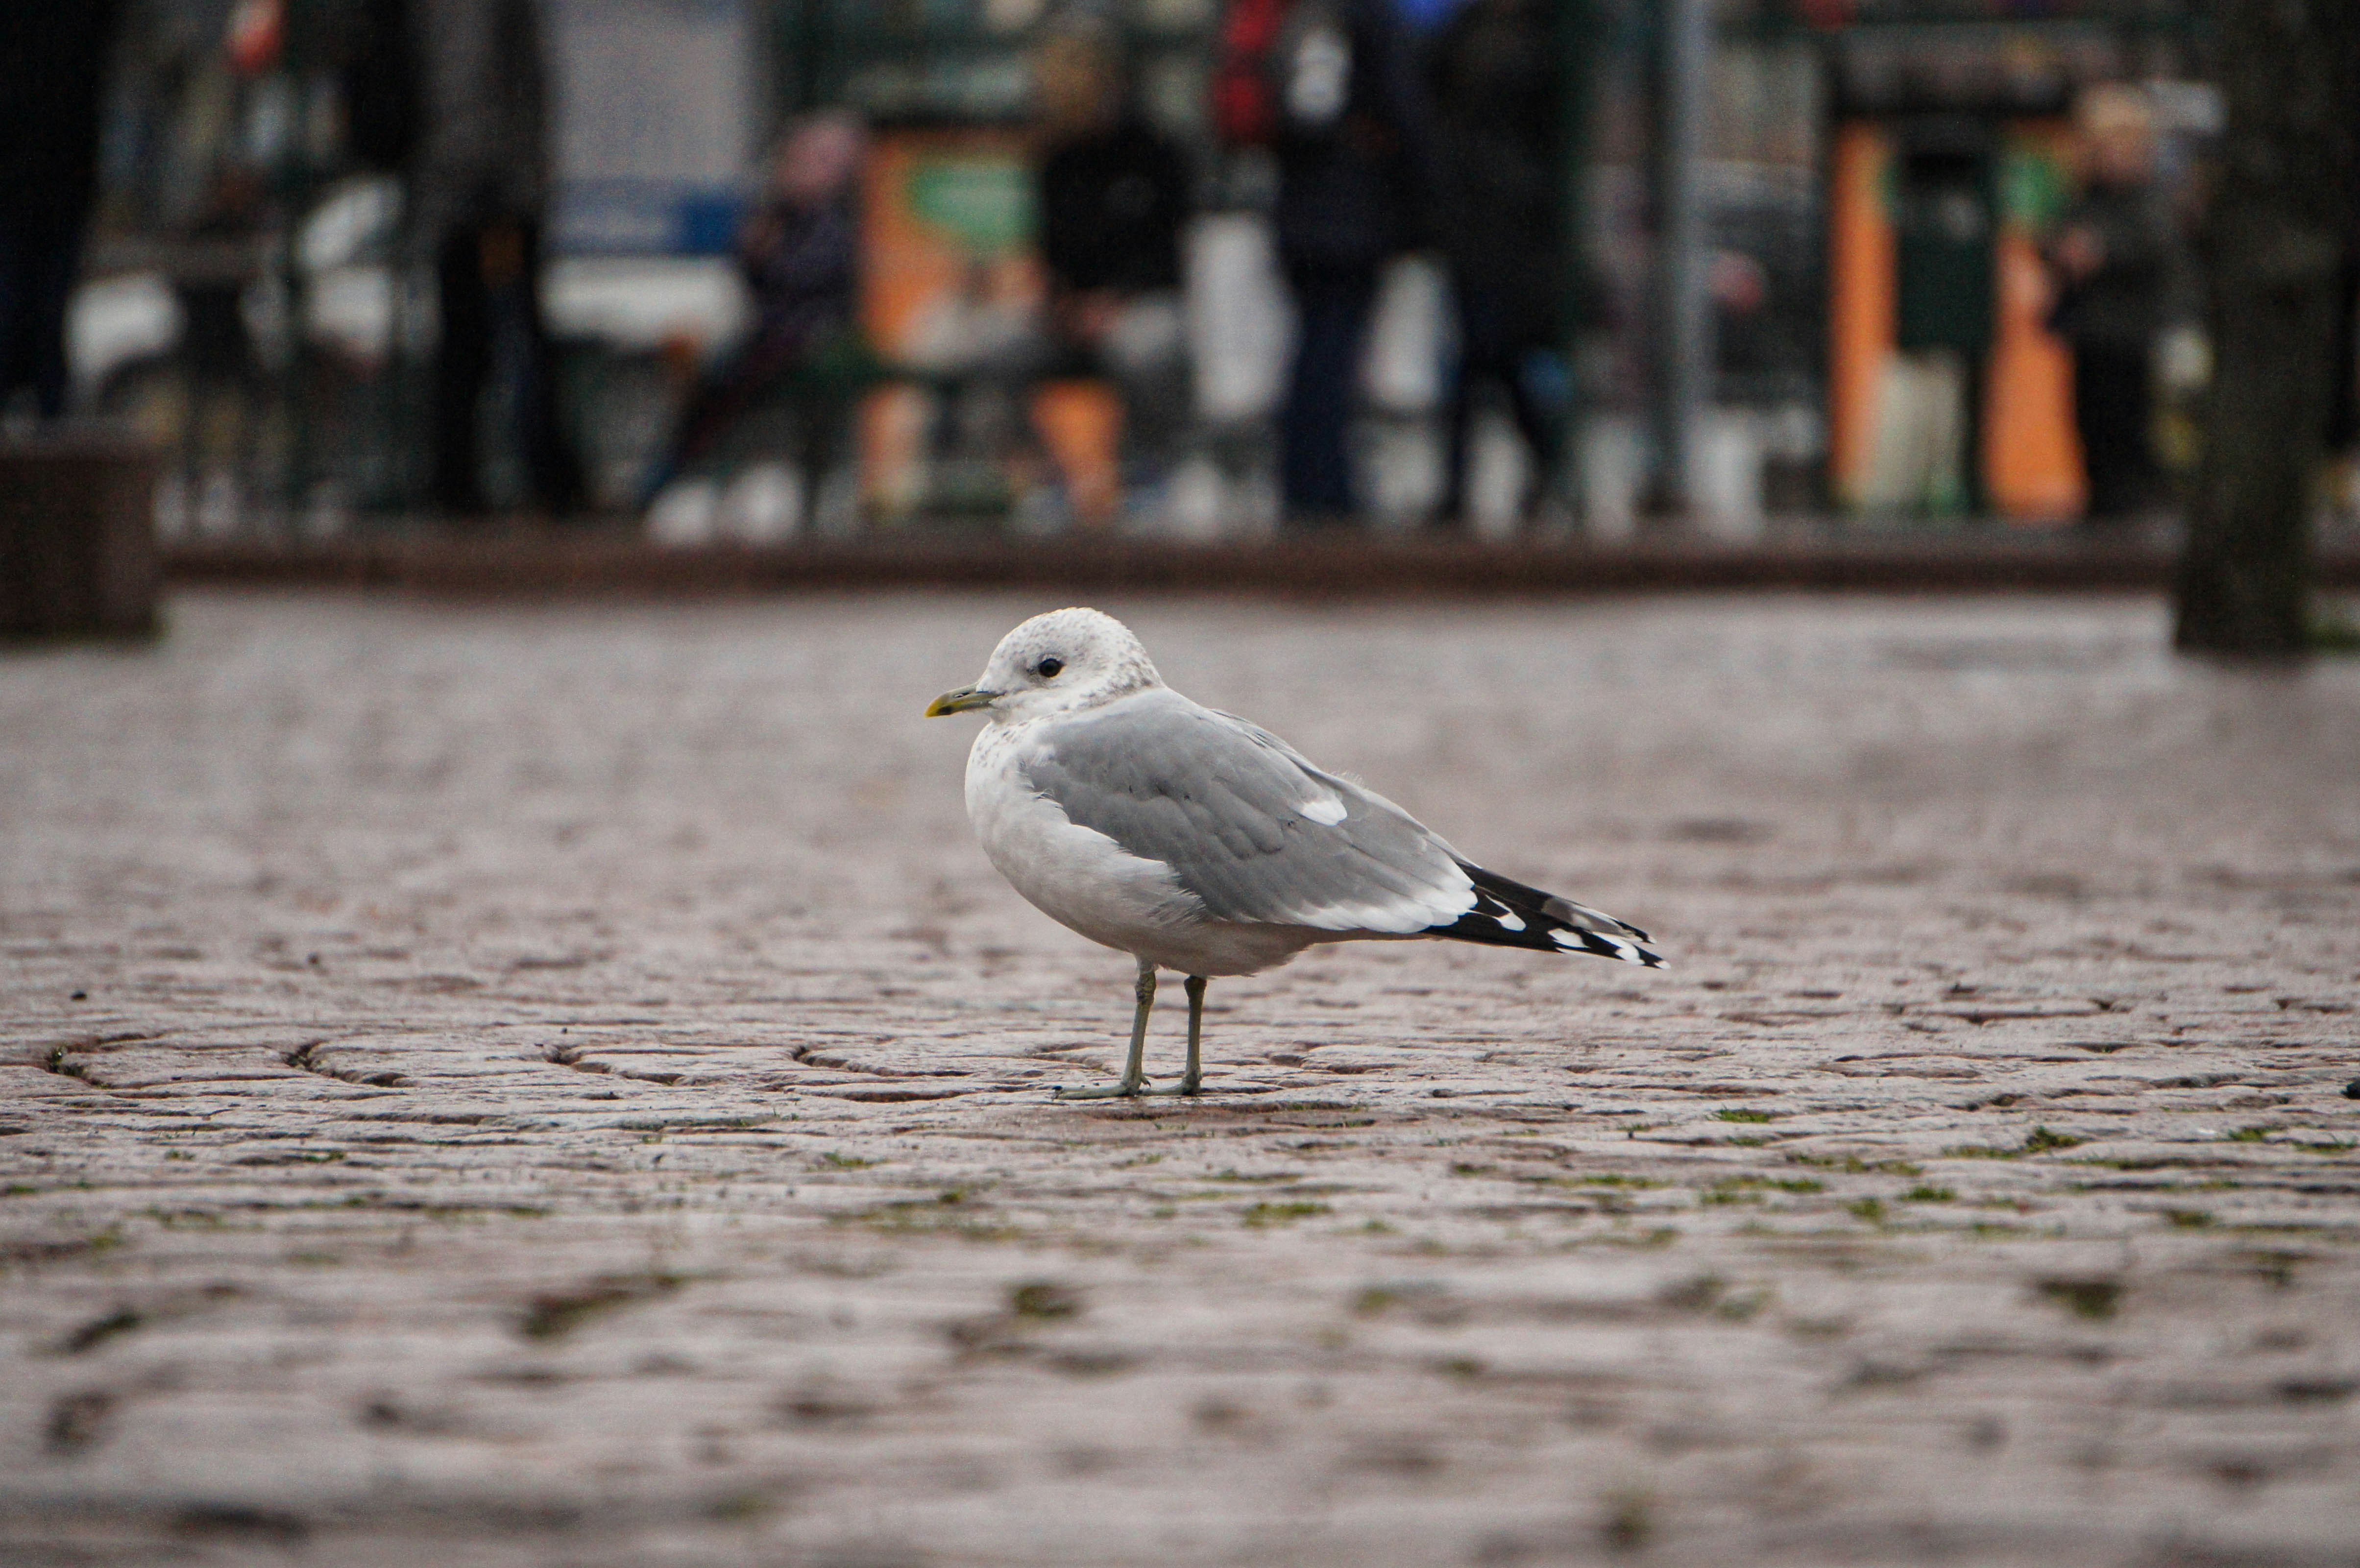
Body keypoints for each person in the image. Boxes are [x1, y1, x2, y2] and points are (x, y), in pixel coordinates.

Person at [1216, 0, 1431, 526]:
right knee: (1333, 354)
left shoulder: (1302, 16)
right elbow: (1403, 114)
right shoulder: (1365, 18)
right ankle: (1326, 490)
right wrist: (1420, 198)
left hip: (1296, 213)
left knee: (1311, 350)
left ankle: (1302, 479)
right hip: (1354, 216)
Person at [645, 113, 870, 515]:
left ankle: (676, 474)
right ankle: (673, 473)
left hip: (806, 337)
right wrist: (753, 250)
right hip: (768, 334)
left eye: (808, 164)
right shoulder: (778, 215)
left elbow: (809, 276)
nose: (794, 174)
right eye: (793, 162)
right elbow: (750, 277)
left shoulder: (838, 220)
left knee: (729, 386)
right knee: (709, 380)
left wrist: (769, 257)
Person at [410, 0, 582, 518]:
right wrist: (514, 179)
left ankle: (460, 477)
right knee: (511, 335)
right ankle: (537, 477)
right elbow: (482, 84)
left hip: (454, 186)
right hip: (489, 194)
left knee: (468, 342)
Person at [1033, 20, 1193, 513]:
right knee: (990, 345)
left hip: (1143, 304)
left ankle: (1150, 472)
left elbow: (1171, 255)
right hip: (1073, 312)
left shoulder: (1155, 150)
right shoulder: (1058, 158)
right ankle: (1043, 479)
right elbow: (1051, 251)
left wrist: (1116, 300)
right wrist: (1063, 305)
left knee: (1143, 346)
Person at [1426, 0, 1562, 528]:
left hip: (1516, 227)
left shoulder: (1541, 36)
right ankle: (1529, 467)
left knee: (1491, 356)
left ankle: (1525, 468)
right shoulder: (1466, 33)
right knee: (1479, 357)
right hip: (1477, 224)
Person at [2046, 84, 2175, 522]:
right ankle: (2099, 498)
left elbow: (2154, 246)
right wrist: (2061, 251)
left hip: (2130, 332)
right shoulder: (2083, 196)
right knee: (2089, 419)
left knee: (2128, 422)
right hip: (2089, 331)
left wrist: (2101, 252)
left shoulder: (2149, 199)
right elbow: (2050, 236)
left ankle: (2129, 502)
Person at [0, 0, 123, 421]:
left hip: (48, 178)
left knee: (32, 307)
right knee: (38, 309)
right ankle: (46, 409)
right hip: (56, 176)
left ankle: (44, 412)